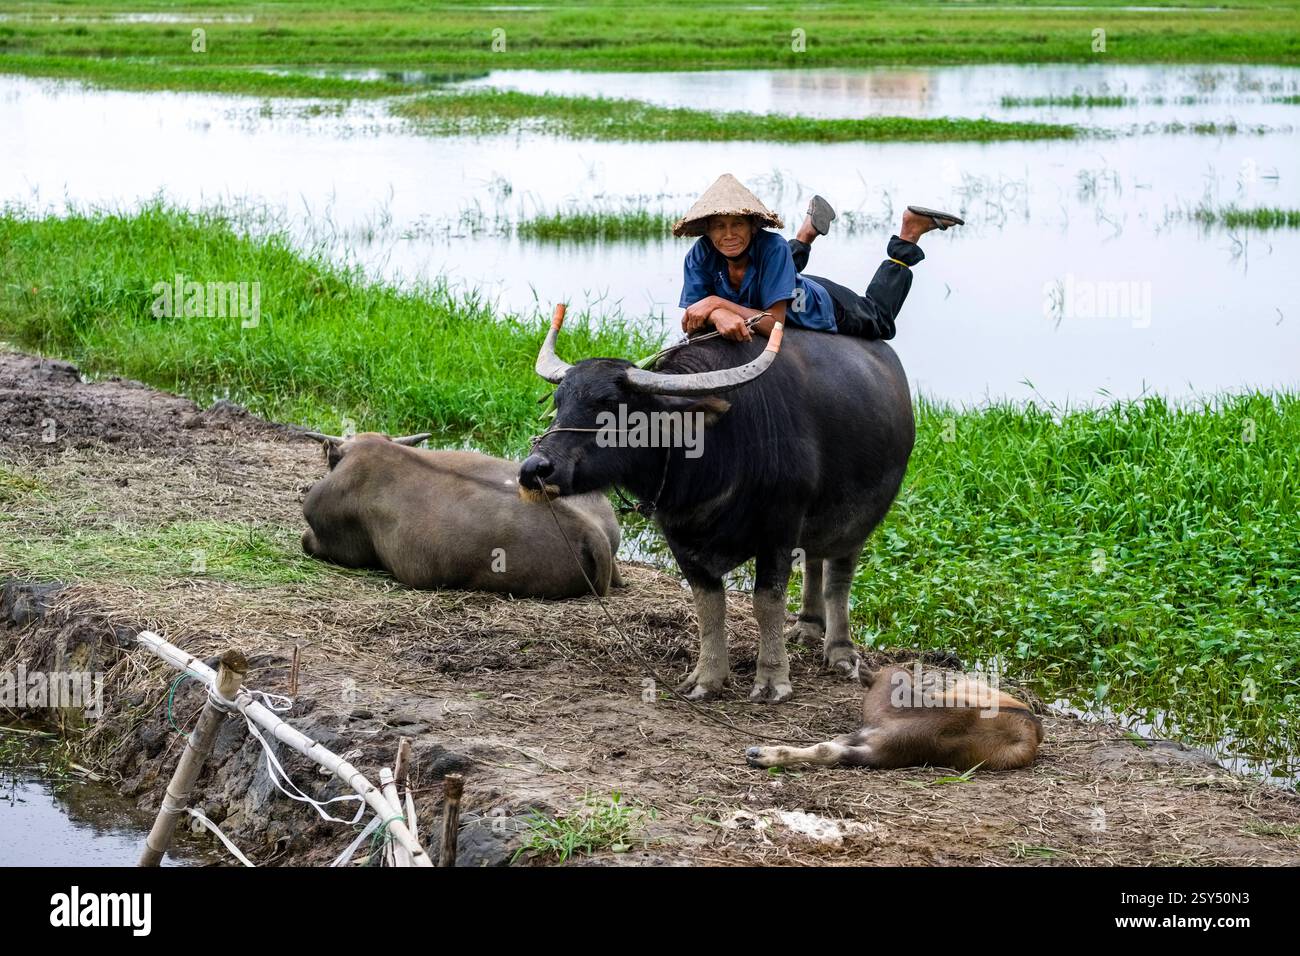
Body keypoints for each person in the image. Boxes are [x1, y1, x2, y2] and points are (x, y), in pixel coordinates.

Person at [674, 173, 963, 343]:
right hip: (768, 288)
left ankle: (909, 232)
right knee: (766, 272)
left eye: (737, 224)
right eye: (719, 226)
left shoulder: (771, 246)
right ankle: (807, 232)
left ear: (753, 226)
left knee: (879, 321)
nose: (728, 234)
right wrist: (716, 314)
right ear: (707, 231)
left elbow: (773, 324)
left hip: (815, 302)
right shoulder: (699, 255)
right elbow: (691, 320)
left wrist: (715, 303)